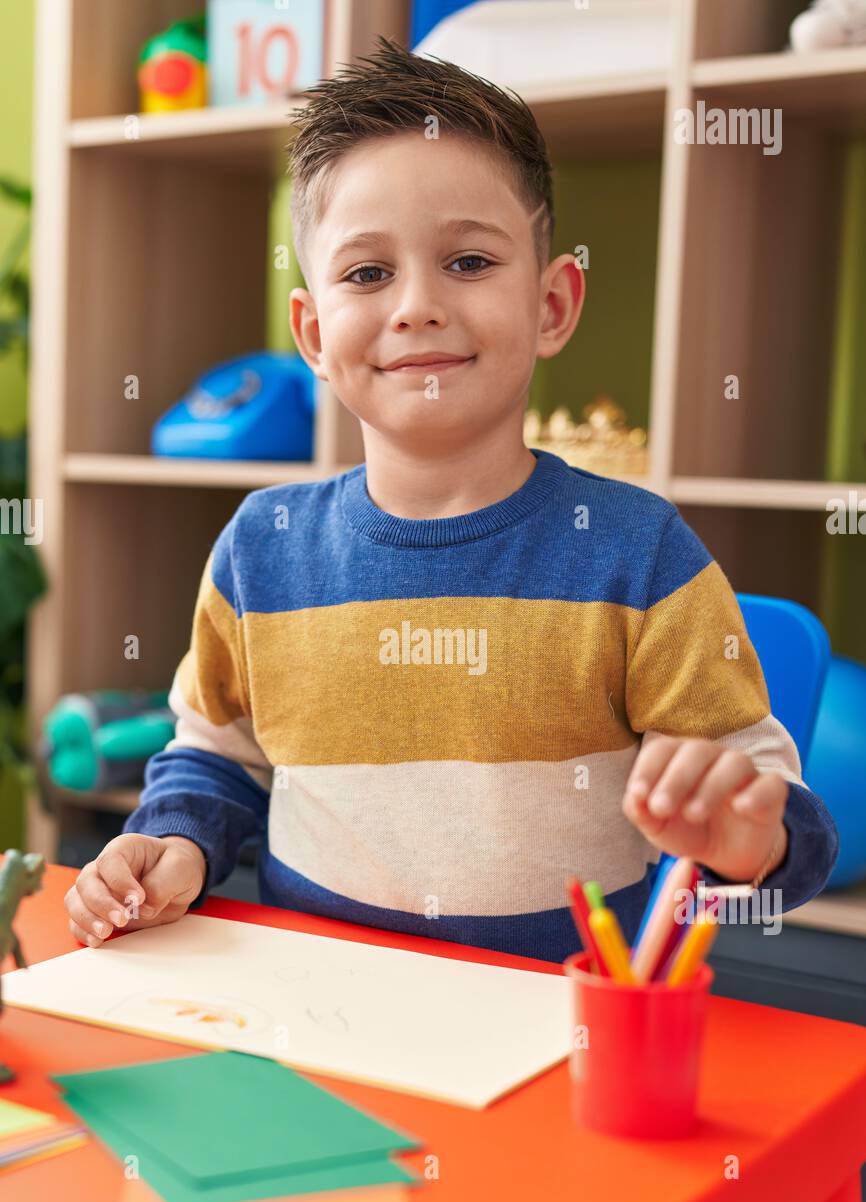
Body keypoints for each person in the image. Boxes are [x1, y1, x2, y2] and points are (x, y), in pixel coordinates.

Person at [65, 38, 837, 959]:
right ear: (312, 333)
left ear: (552, 305)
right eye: (366, 273)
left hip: (556, 1046)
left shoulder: (639, 553)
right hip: (318, 1021)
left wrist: (750, 838)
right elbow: (213, 759)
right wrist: (175, 843)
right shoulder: (259, 548)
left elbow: (777, 824)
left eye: (469, 262)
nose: (417, 306)